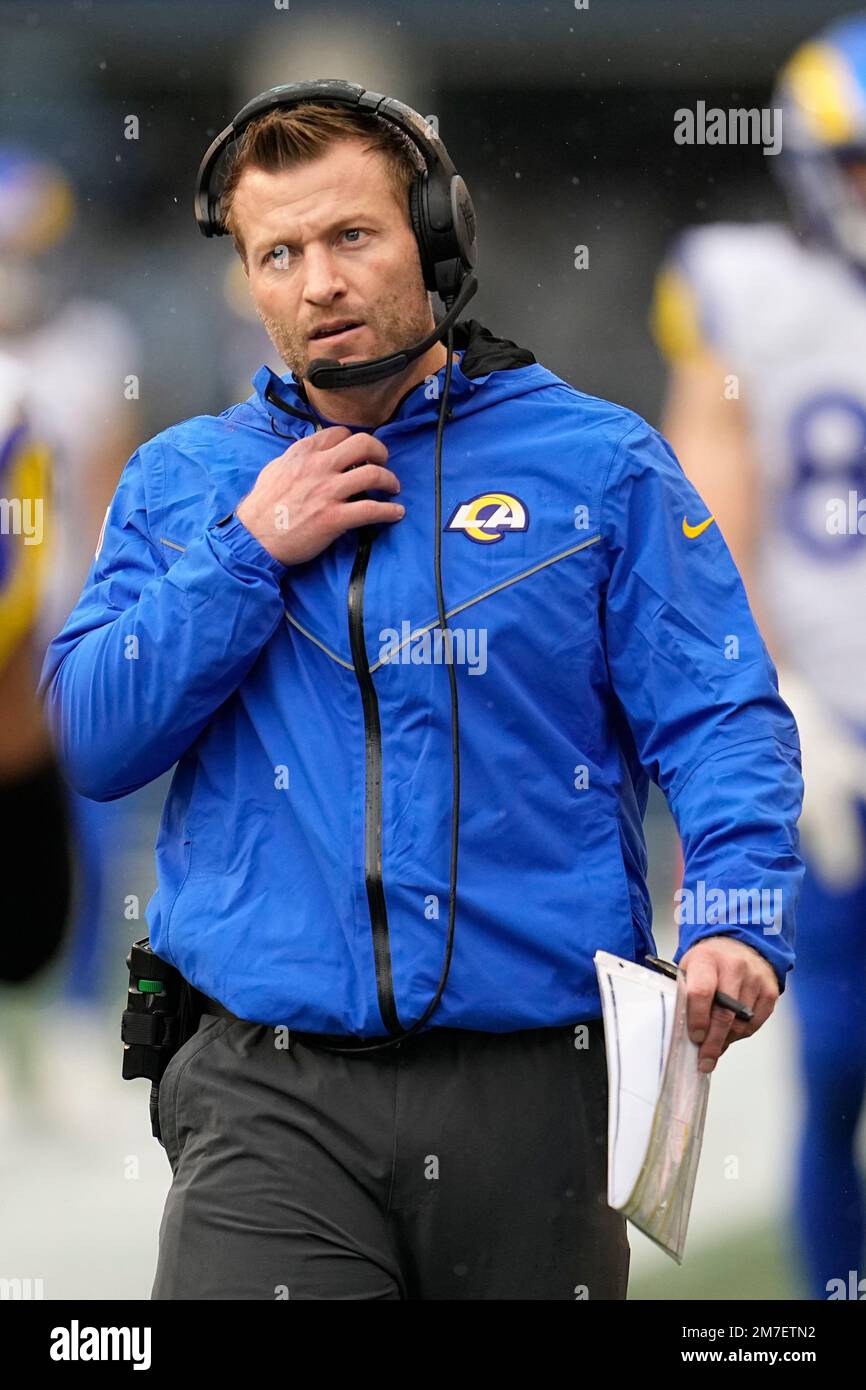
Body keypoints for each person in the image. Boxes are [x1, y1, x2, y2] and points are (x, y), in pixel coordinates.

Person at [38, 83, 803, 1302]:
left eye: (352, 237)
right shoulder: (181, 479)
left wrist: (732, 914)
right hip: (262, 1089)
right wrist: (246, 552)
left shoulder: (599, 465)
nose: (318, 283)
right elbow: (85, 734)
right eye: (278, 253)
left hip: (536, 1087)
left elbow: (719, 714)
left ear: (437, 235)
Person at [650, 14, 866, 1300]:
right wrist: (781, 705)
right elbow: (713, 514)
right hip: (832, 725)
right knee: (834, 1054)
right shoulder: (743, 287)